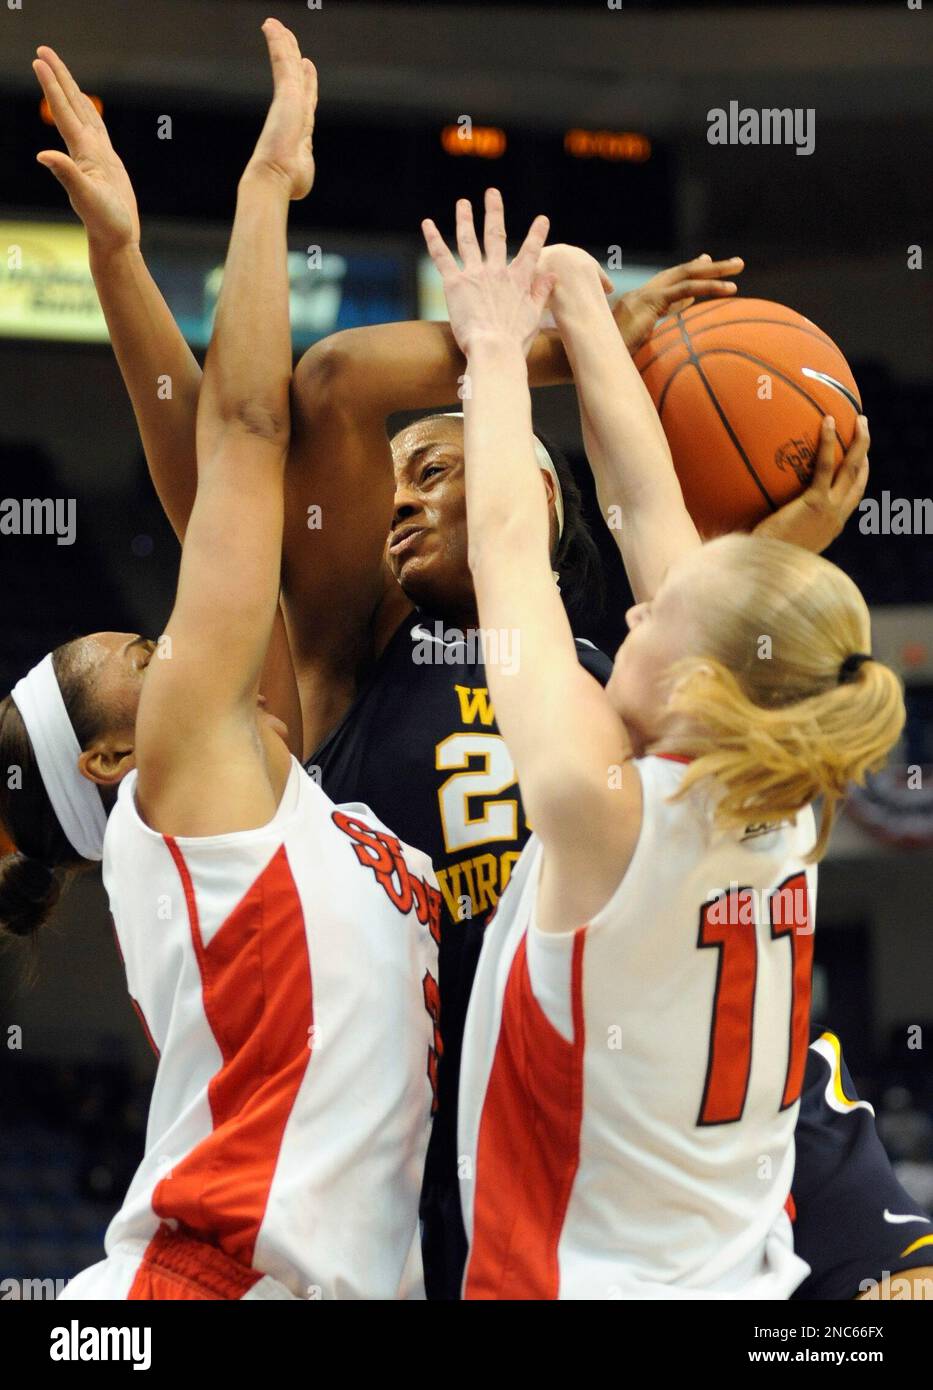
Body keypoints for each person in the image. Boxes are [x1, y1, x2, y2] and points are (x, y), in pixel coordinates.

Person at [31, 46, 933, 1302]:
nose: (397, 497)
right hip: (488, 1151)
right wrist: (554, 345)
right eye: (392, 483)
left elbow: (693, 584)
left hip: (665, 1111)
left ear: (537, 491)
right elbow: (244, 464)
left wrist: (761, 554)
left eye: (440, 469)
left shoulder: (620, 682)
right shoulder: (344, 664)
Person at [4, 20, 439, 1301]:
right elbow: (244, 439)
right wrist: (262, 193)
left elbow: (207, 495)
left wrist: (123, 259)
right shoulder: (189, 785)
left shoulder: (262, 800)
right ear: (114, 755)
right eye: (141, 649)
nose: (172, 634)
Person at [421, 189, 906, 1297]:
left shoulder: (604, 812)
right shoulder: (787, 784)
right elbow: (648, 518)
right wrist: (589, 312)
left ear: (698, 680)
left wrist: (494, 346)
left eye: (647, 621)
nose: (630, 616)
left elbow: (507, 547)